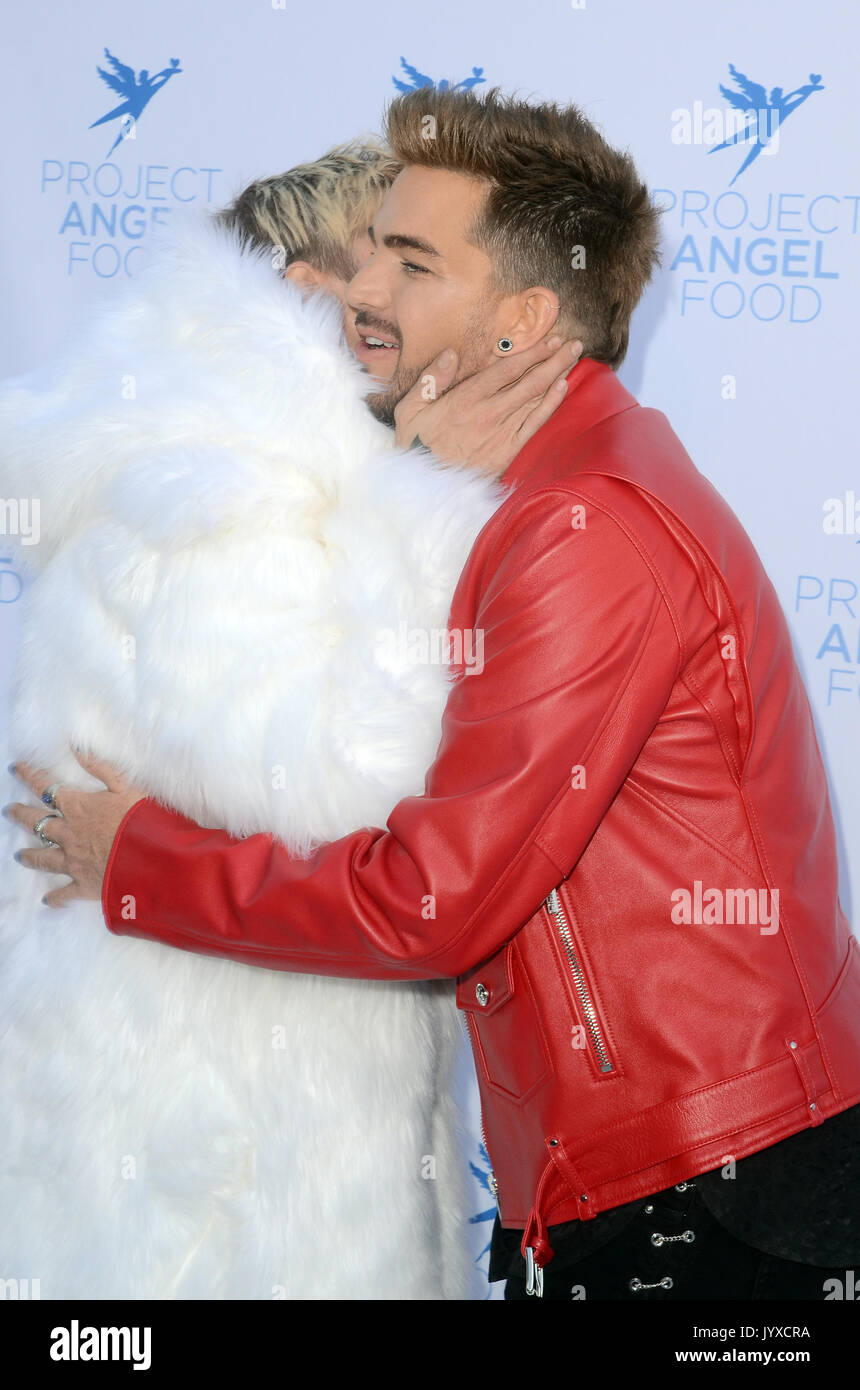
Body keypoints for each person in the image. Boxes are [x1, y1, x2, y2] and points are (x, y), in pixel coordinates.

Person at [9, 87, 860, 1301]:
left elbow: (426, 894)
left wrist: (138, 857)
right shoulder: (531, 497)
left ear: (518, 318)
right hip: (639, 1170)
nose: (365, 298)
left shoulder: (575, 526)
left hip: (705, 1183)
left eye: (408, 264)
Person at [0, 135, 573, 1300]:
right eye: (396, 269)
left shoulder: (198, 469)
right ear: (310, 291)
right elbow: (354, 795)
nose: (416, 309)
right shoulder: (216, 499)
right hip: (221, 1157)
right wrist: (429, 500)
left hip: (217, 1104)